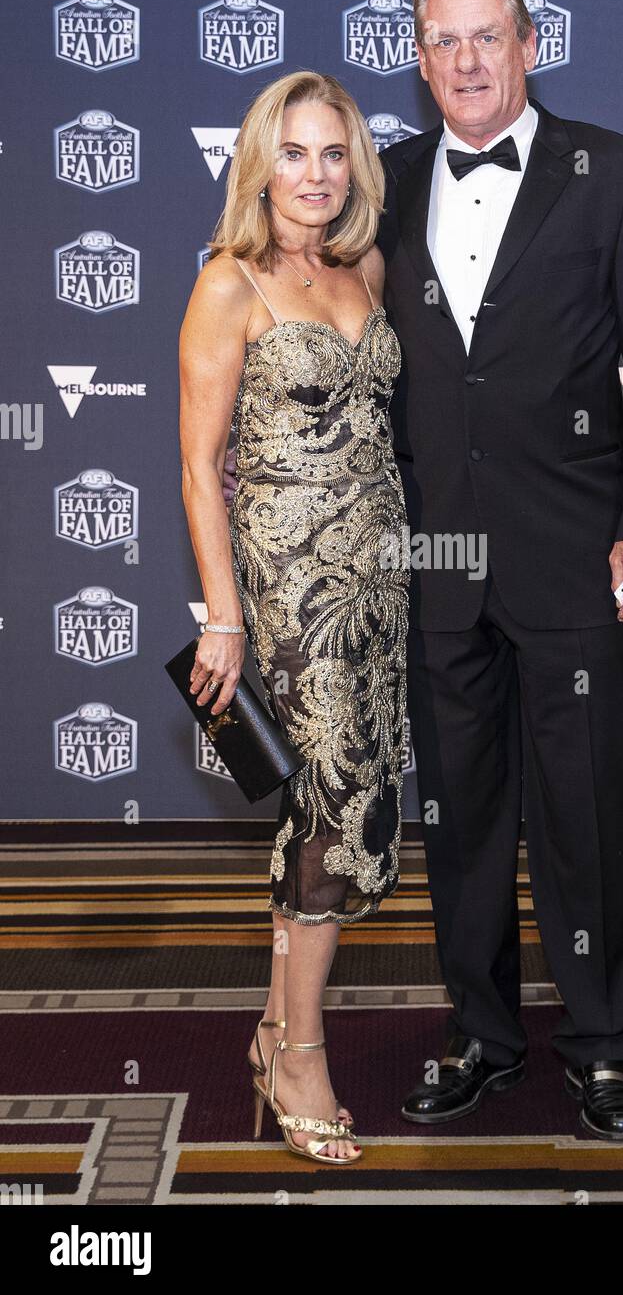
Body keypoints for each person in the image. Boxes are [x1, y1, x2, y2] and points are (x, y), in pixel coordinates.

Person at [225, 0, 623, 1142]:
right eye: (443, 41)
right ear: (421, 58)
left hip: (574, 551)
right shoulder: (376, 183)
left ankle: (597, 1047)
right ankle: (481, 1034)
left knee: (584, 809)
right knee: (466, 815)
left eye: (486, 36)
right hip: (426, 567)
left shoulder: (610, 174)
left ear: (529, 43)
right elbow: (320, 350)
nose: (467, 61)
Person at [179, 71, 409, 1164]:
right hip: (287, 599)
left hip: (377, 581)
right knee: (324, 815)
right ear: (260, 162)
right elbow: (197, 463)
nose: (314, 175)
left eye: (332, 153)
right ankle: (302, 1047)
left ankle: (272, 1028)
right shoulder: (229, 283)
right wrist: (222, 618)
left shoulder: (361, 264)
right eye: (295, 152)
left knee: (337, 808)